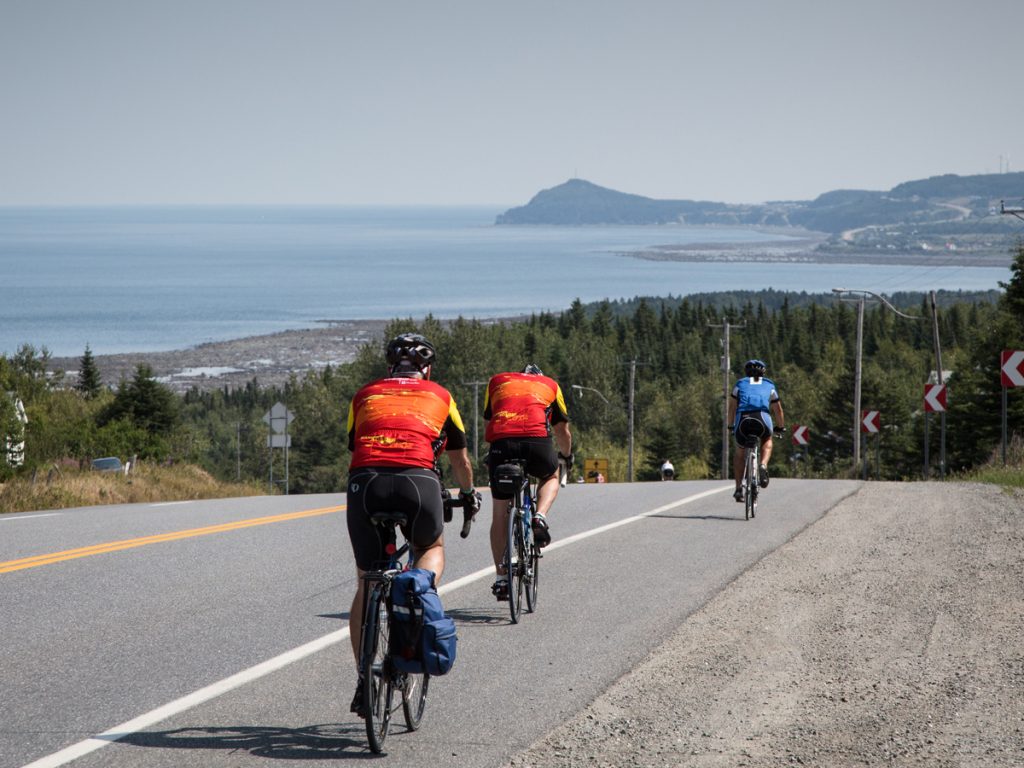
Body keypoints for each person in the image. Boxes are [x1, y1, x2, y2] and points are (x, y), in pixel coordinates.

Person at [345, 333, 480, 716]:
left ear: (389, 367)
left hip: (366, 483)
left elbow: (356, 447)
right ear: (427, 368)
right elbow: (460, 462)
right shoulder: (441, 395)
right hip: (418, 482)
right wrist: (468, 494)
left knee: (367, 580)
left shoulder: (364, 394)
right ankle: (416, 588)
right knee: (432, 549)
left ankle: (364, 680)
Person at [483, 363, 572, 600]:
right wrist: (566, 456)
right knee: (550, 475)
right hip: (537, 444)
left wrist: (492, 450)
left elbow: (488, 423)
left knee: (499, 513)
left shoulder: (497, 381)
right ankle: (539, 516)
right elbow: (562, 430)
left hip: (501, 445)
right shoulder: (551, 385)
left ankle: (502, 579)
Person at [728, 358, 785, 502]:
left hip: (743, 420)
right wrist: (780, 427)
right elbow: (778, 410)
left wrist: (730, 426)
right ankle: (763, 465)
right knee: (767, 438)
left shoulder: (740, 384)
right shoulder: (769, 385)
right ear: (763, 372)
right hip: (762, 418)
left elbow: (732, 408)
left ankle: (738, 489)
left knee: (740, 452)